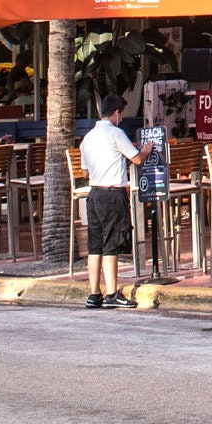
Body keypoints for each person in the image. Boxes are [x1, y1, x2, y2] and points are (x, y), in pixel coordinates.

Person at [80, 95, 139, 309]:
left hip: (94, 193)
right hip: (112, 194)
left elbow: (85, 171)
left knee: (94, 245)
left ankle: (94, 293)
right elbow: (137, 158)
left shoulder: (88, 137)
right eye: (121, 114)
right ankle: (112, 292)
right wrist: (148, 148)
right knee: (111, 244)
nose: (121, 118)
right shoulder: (116, 134)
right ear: (116, 112)